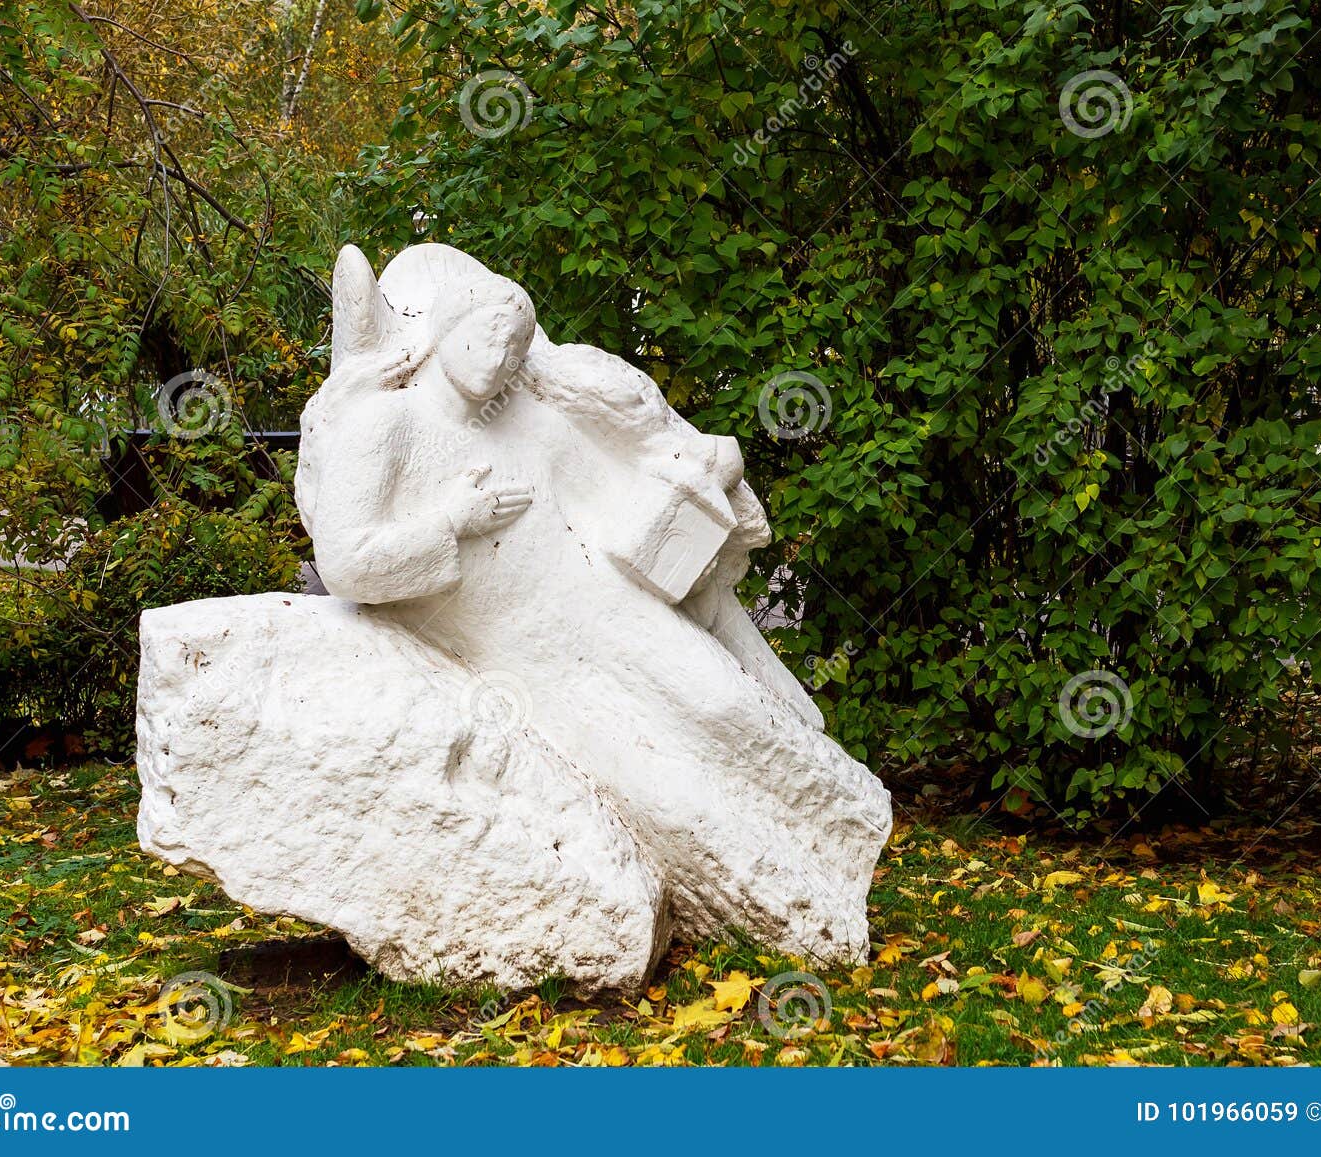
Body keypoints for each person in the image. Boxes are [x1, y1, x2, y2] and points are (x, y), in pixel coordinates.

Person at [296, 244, 890, 960]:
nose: (499, 354)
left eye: (515, 344)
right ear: (444, 329)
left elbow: (620, 486)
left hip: (603, 608)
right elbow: (349, 562)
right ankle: (799, 912)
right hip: (527, 664)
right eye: (485, 334)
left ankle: (847, 831)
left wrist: (696, 473)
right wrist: (451, 520)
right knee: (669, 792)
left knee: (723, 704)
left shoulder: (527, 420)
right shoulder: (385, 425)